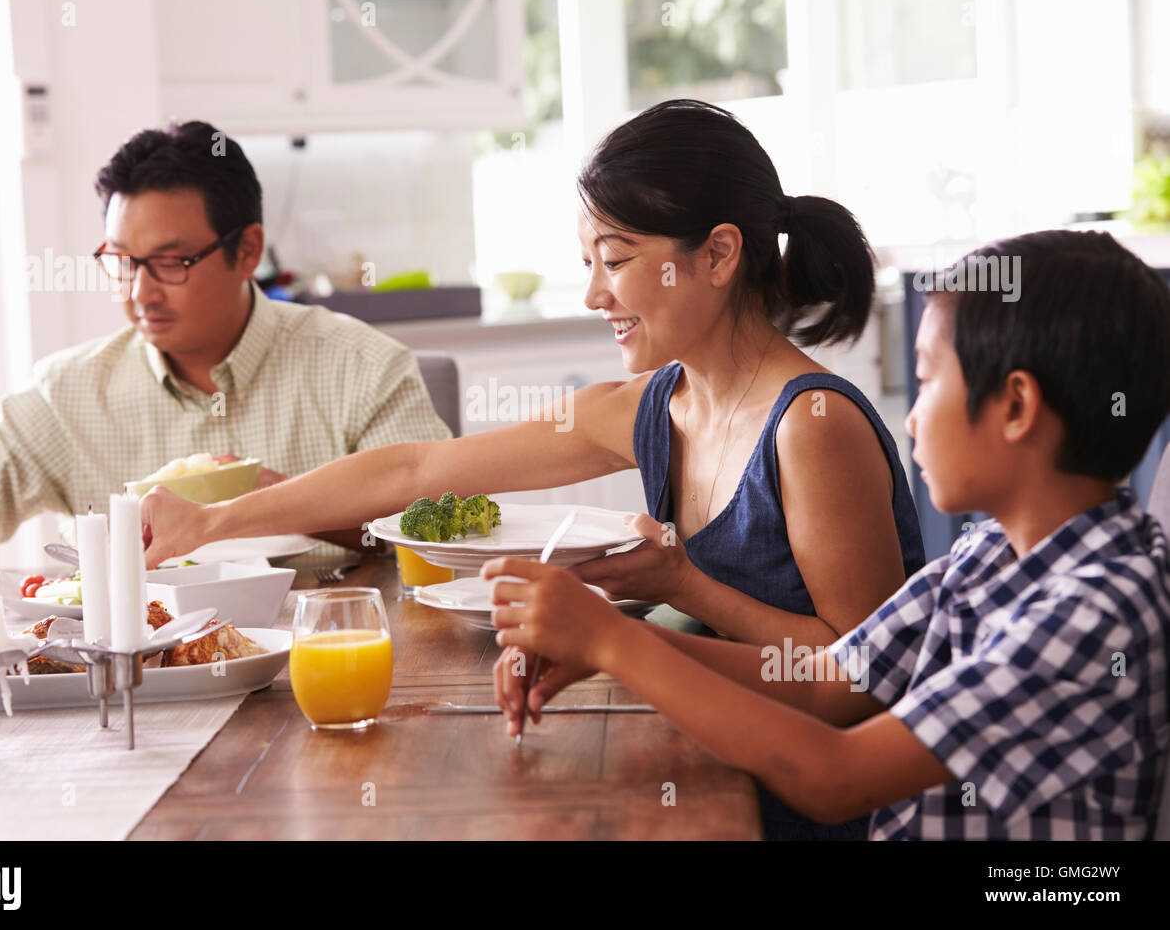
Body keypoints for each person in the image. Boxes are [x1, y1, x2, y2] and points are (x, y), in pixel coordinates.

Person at [140, 100, 926, 839]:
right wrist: (208, 522)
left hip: (812, 810)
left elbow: (855, 684)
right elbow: (420, 468)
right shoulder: (653, 405)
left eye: (614, 261)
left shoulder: (813, 428)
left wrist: (657, 608)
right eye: (588, 263)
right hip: (721, 756)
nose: (592, 294)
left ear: (717, 254)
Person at [489, 230, 1170, 839]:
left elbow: (836, 779)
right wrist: (621, 648)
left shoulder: (1096, 613)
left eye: (928, 383)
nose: (909, 420)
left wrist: (610, 638)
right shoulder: (993, 552)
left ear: (1016, 405)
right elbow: (822, 681)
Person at [0, 121, 451, 560]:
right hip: (146, 681)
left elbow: (440, 527)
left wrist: (277, 500)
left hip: (326, 656)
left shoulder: (360, 367)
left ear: (247, 251)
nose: (141, 292)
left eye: (172, 262)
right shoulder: (74, 392)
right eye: (123, 262)